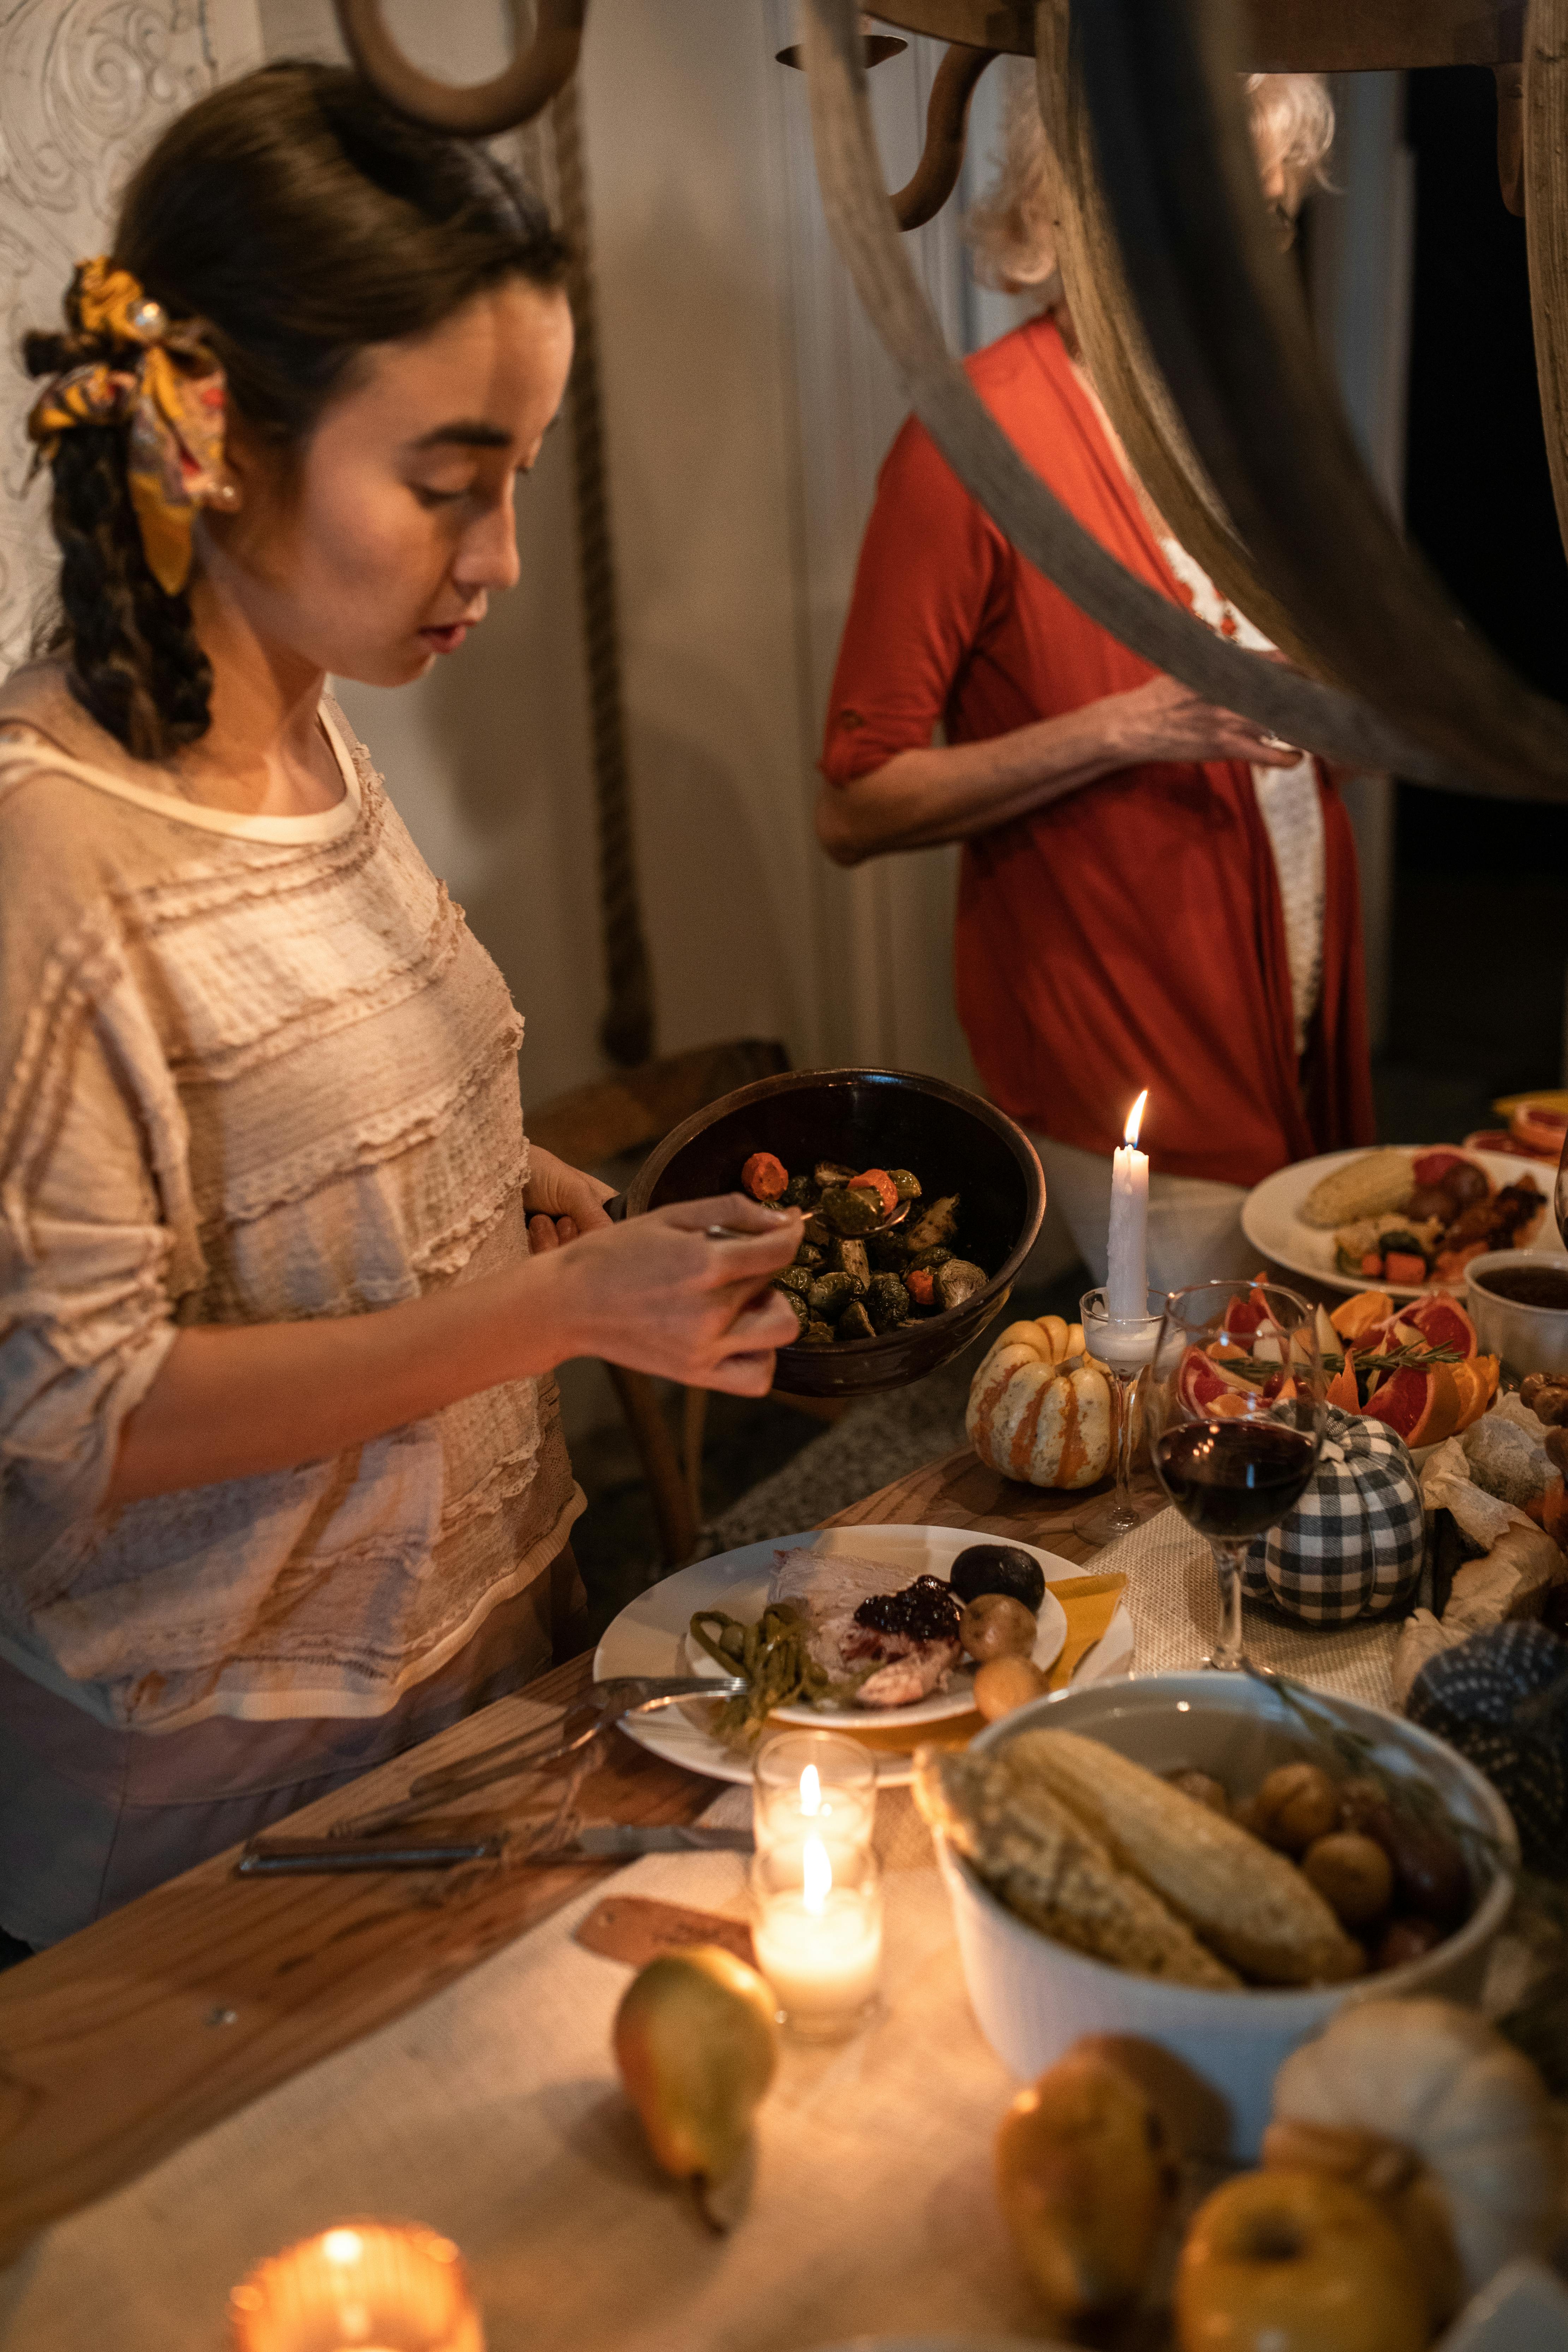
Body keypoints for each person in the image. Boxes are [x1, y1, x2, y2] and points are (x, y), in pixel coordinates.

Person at [0, 64, 801, 1947]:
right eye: (448, 485)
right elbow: (70, 1421)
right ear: (210, 432)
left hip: (474, 1673)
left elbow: (283, 1124)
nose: (500, 555)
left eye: (515, 479)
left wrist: (491, 1179)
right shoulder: (49, 855)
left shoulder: (308, 735)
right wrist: (551, 1313)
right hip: (221, 1795)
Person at [817, 68, 1375, 1294]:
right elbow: (854, 805)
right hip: (1124, 1042)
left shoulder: (1243, 419)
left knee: (1304, 1363)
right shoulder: (971, 439)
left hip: (1286, 1008)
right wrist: (1127, 726)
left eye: (1262, 217)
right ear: (1082, 204)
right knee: (1201, 1375)